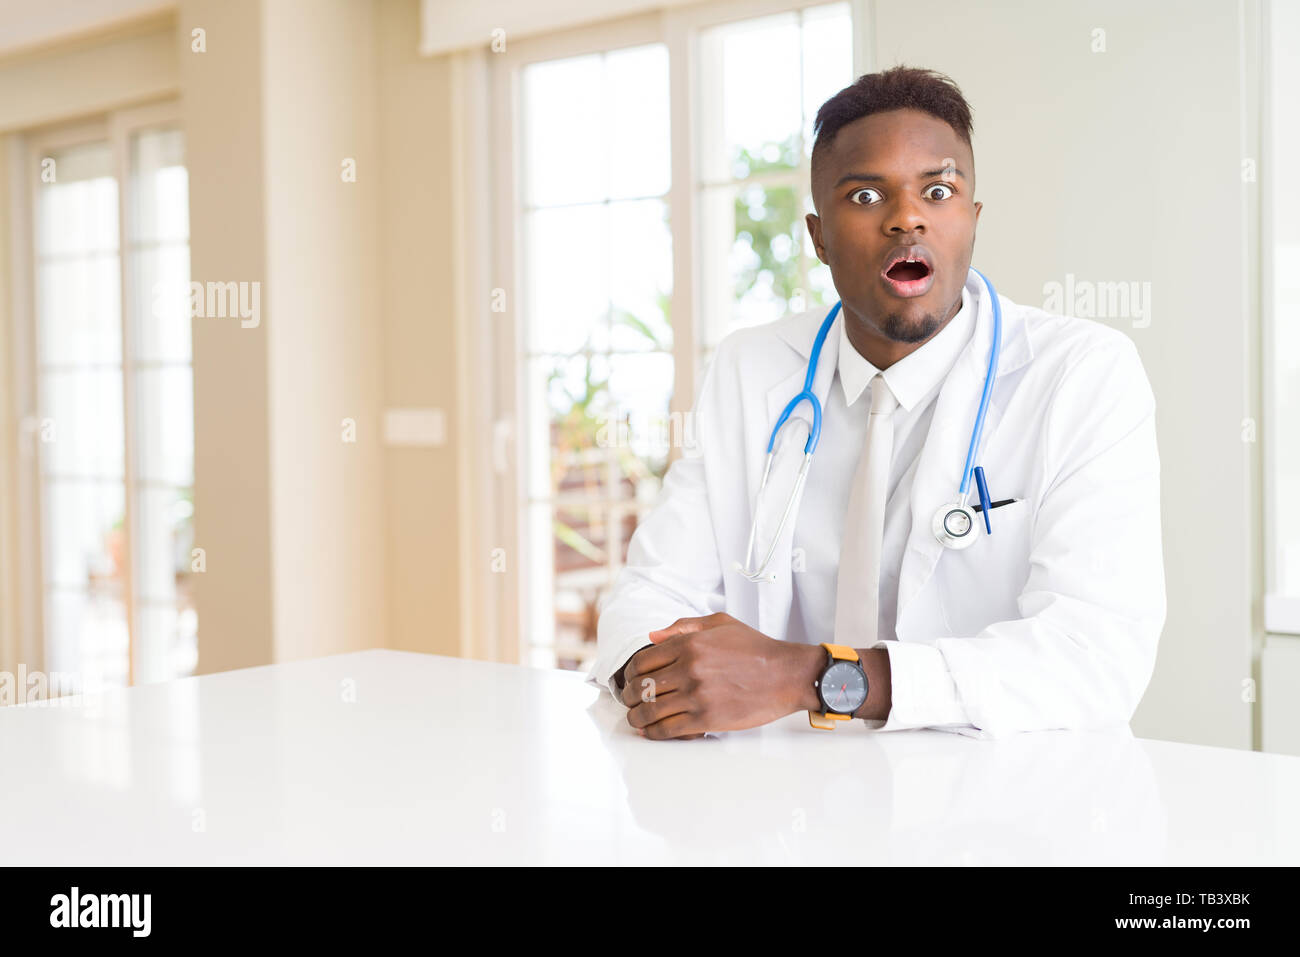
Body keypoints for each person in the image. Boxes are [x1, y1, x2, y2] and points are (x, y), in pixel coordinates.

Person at [586, 65, 1165, 740]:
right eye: (865, 195)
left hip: (1002, 811)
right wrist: (657, 677)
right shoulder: (751, 369)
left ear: (971, 220)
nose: (907, 217)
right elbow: (650, 595)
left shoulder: (1081, 375)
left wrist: (810, 676)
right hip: (786, 806)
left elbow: (1093, 656)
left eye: (939, 190)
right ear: (819, 236)